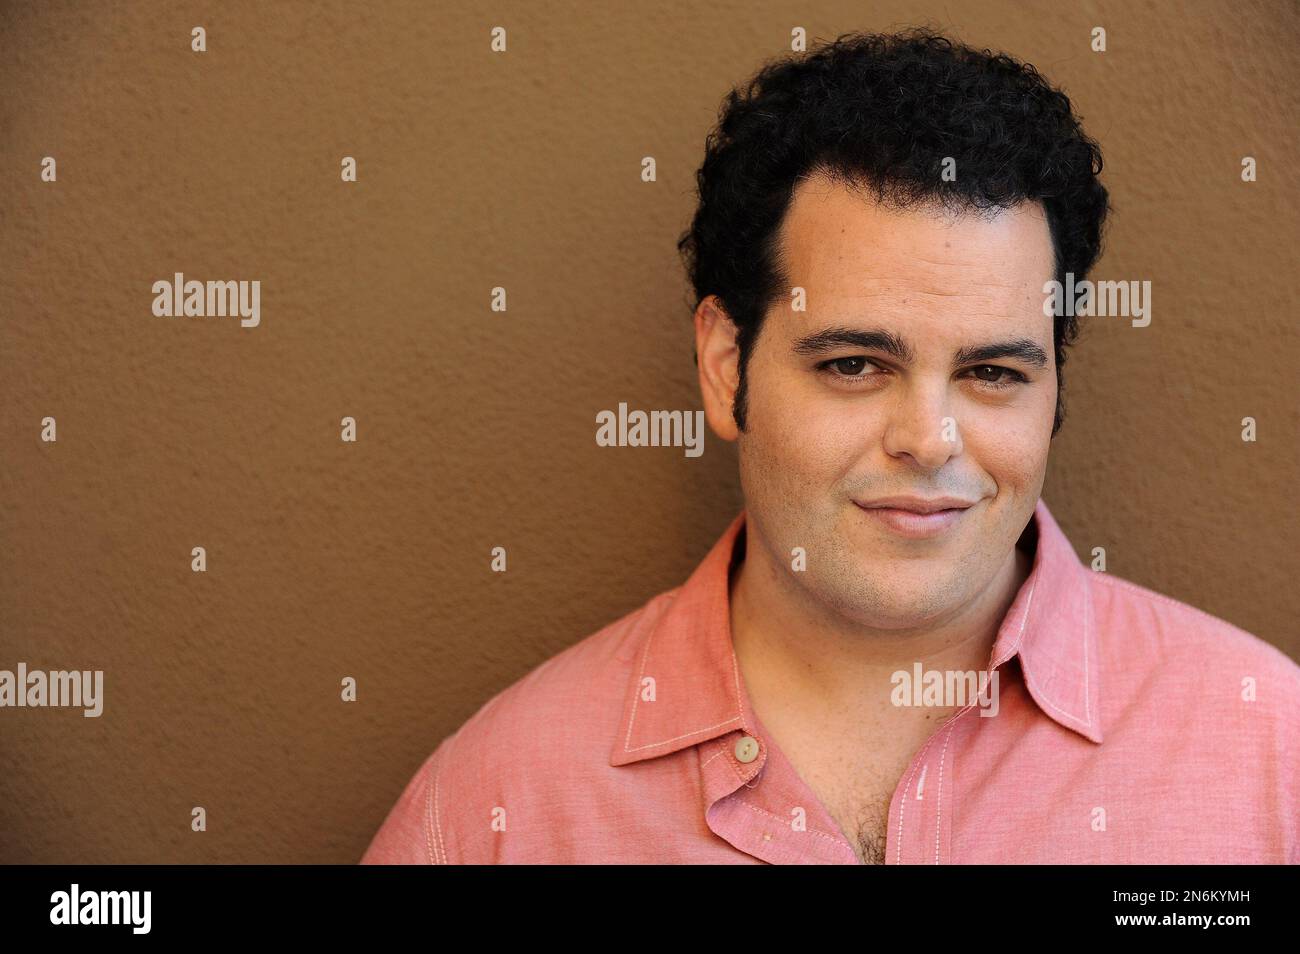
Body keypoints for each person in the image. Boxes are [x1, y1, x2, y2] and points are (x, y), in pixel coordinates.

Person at [362, 27, 1299, 864]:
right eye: (856, 365)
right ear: (727, 366)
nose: (929, 442)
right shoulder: (496, 812)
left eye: (994, 374)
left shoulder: (1270, 758)